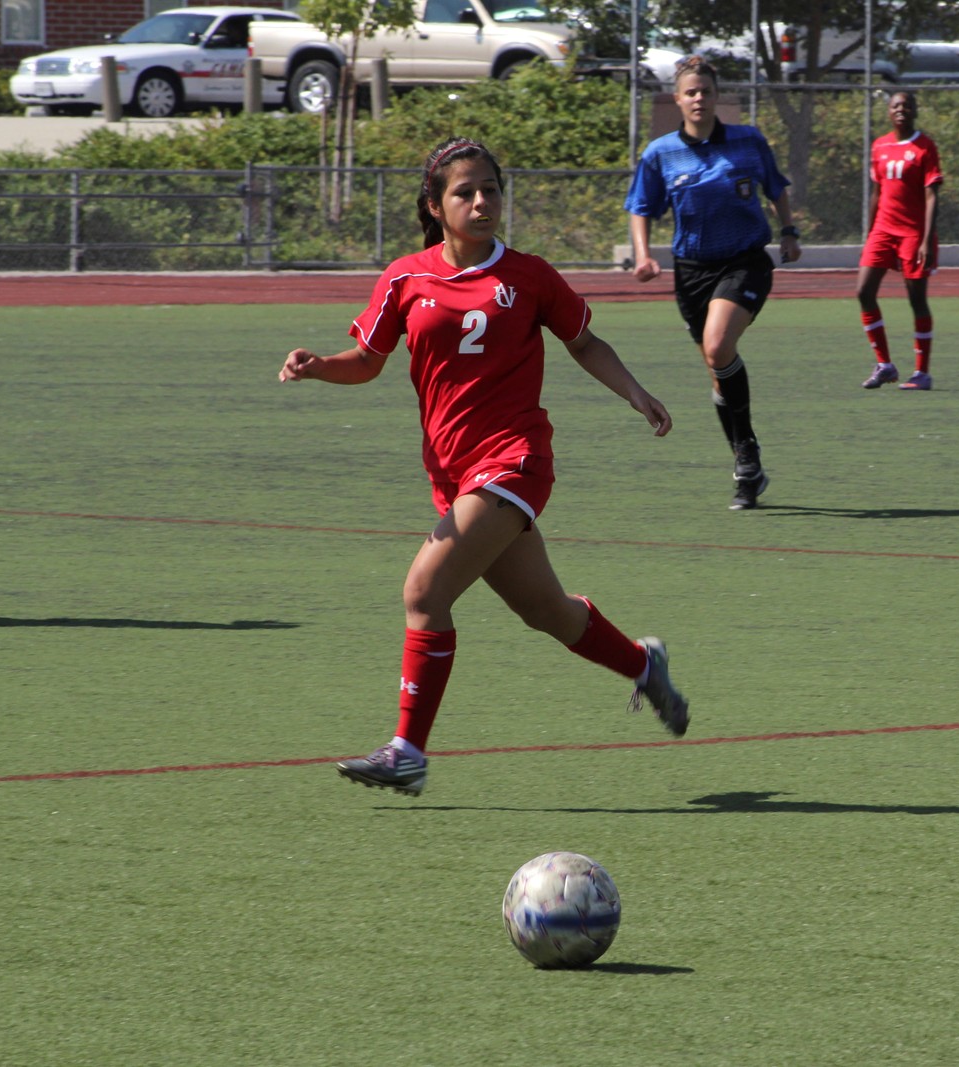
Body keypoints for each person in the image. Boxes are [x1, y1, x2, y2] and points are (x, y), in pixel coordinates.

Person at [279, 137, 689, 798]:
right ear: (434, 205)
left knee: (424, 593)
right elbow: (368, 360)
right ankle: (644, 664)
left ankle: (407, 752)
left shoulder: (529, 276)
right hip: (453, 474)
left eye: (490, 189)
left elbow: (584, 341)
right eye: (464, 192)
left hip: (515, 460)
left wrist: (635, 393)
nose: (480, 202)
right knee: (547, 611)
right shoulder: (405, 278)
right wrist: (319, 366)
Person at [625, 56, 801, 510]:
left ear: (716, 95)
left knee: (718, 346)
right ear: (678, 99)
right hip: (692, 273)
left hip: (745, 262)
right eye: (691, 92)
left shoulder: (748, 140)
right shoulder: (661, 153)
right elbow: (641, 207)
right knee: (718, 370)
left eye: (706, 90)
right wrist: (643, 255)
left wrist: (788, 231)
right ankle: (748, 467)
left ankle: (746, 455)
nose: (699, 98)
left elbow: (776, 187)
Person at [858, 90, 942, 391]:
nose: (901, 109)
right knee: (864, 292)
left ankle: (922, 373)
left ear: (915, 111)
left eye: (907, 105)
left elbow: (931, 196)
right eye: (896, 105)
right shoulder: (879, 145)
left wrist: (926, 239)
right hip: (883, 230)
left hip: (913, 233)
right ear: (889, 112)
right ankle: (884, 365)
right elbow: (877, 192)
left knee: (916, 300)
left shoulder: (924, 146)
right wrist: (870, 232)